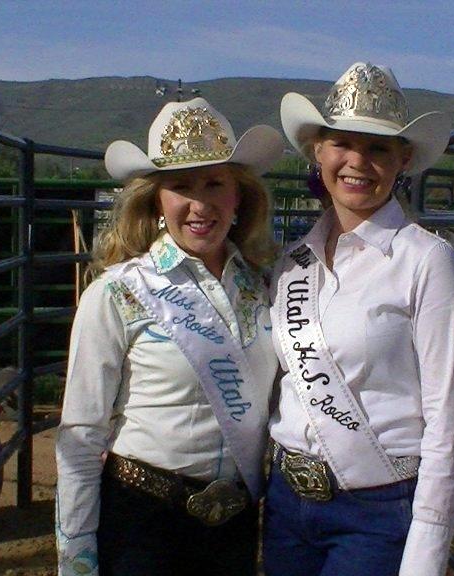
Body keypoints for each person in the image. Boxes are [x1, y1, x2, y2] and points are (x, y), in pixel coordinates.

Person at [55, 97, 283, 576]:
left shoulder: (266, 288)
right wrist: (76, 558)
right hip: (143, 522)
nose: (200, 204)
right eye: (181, 186)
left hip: (235, 524)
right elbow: (80, 436)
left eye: (215, 183)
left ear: (238, 195)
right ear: (157, 199)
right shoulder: (116, 294)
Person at [265, 62, 454, 576]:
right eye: (342, 143)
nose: (357, 161)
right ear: (318, 150)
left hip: (376, 511)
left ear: (403, 159)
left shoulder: (430, 263)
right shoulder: (291, 260)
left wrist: (426, 554)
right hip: (286, 503)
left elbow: (450, 422)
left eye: (378, 147)